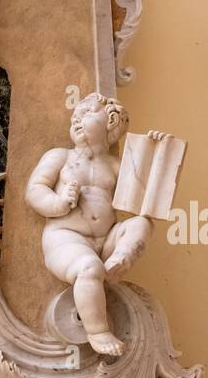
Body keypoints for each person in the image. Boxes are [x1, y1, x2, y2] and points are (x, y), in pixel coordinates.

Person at [26, 93, 150, 357]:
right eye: (75, 116)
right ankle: (97, 330)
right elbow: (35, 190)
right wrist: (58, 203)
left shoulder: (117, 166)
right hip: (66, 237)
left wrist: (155, 149)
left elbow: (142, 200)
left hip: (106, 241)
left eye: (87, 114)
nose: (77, 119)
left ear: (111, 123)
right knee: (88, 268)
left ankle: (121, 259)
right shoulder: (60, 157)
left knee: (141, 222)